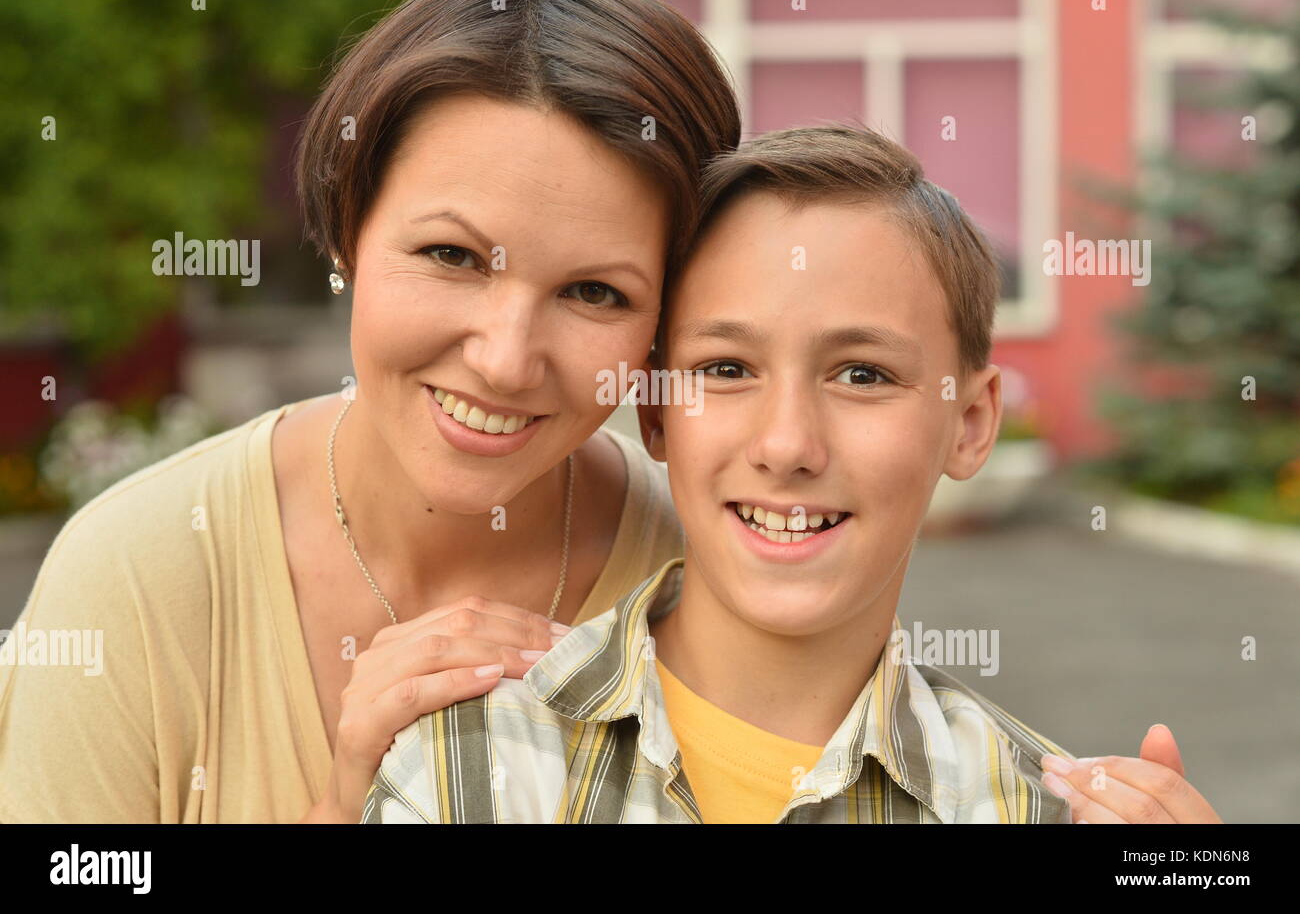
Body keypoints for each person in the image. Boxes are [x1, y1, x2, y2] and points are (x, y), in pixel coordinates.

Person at [0, 0, 739, 824]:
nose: (506, 361)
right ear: (348, 231)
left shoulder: (718, 580)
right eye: (452, 255)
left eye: (594, 292)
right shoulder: (133, 575)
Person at [363, 125, 1224, 824]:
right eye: (727, 368)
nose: (786, 444)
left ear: (969, 423)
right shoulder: (471, 765)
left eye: (862, 375)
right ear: (656, 411)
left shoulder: (1041, 810)